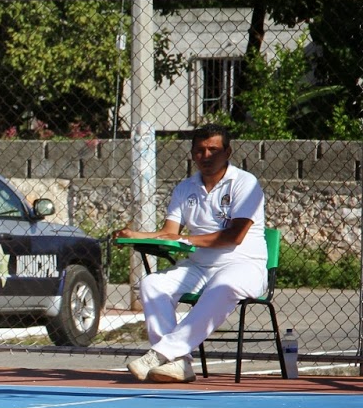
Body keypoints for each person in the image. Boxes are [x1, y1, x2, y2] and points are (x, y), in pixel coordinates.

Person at [114, 123, 269, 383]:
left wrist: (185, 239)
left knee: (225, 284)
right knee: (152, 284)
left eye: (213, 150)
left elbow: (234, 236)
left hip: (244, 265)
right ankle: (179, 363)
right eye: (199, 150)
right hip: (198, 267)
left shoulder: (245, 183)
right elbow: (169, 232)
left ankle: (159, 354)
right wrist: (136, 235)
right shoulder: (185, 188)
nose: (206, 156)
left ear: (228, 152)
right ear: (191, 153)